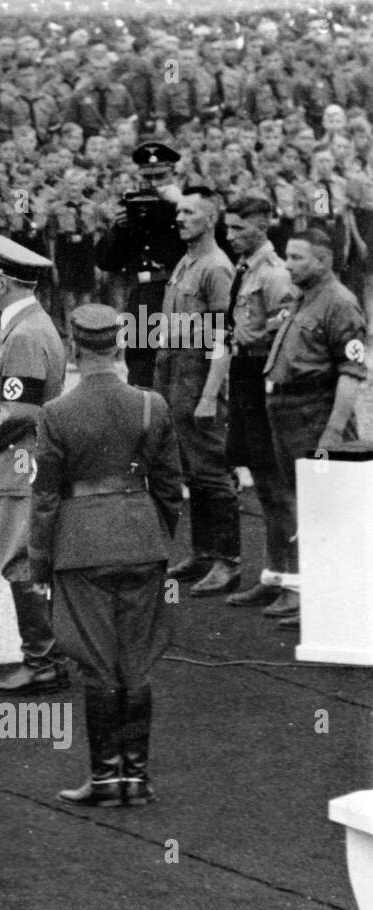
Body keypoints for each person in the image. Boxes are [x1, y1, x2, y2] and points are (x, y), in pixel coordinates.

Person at [29, 304, 183, 807]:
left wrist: (39, 565)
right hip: (141, 542)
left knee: (97, 666)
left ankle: (105, 778)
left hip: (81, 548)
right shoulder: (151, 405)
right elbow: (169, 487)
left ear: (74, 350)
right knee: (136, 664)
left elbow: (46, 497)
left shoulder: (55, 414)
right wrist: (154, 534)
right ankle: (137, 779)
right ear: (118, 348)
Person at [0, 235, 71, 696]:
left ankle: (41, 662)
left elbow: (21, 410)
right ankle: (50, 657)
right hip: (28, 460)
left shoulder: (24, 332)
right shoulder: (27, 321)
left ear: (4, 283)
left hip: (18, 464)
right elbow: (8, 380)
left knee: (21, 562)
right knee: (30, 560)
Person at [263, 228, 368, 630]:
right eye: (287, 256)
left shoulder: (340, 303)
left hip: (314, 414)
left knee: (328, 511)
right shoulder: (300, 296)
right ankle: (318, 598)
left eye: (296, 258)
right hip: (287, 412)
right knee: (301, 505)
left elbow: (351, 373)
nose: (287, 265)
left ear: (323, 261)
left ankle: (336, 606)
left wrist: (331, 435)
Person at [221, 196, 301, 619]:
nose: (231, 236)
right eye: (229, 228)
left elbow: (285, 330)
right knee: (265, 485)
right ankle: (273, 576)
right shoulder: (247, 266)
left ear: (263, 226)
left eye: (238, 229)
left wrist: (253, 338)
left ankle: (294, 584)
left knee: (278, 485)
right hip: (244, 375)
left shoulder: (273, 274)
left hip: (261, 377)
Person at [159, 186, 241, 596]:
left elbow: (222, 337)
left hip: (198, 379)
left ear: (210, 219)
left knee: (211, 471)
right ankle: (203, 553)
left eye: (190, 212)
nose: (180, 218)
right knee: (192, 470)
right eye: (179, 211)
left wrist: (210, 395)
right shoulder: (185, 261)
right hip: (175, 374)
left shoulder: (215, 267)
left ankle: (228, 561)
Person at [94, 141, 185, 390]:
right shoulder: (136, 207)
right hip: (144, 296)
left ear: (175, 175)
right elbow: (106, 261)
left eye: (160, 176)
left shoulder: (188, 206)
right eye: (147, 177)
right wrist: (120, 227)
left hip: (180, 295)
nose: (154, 183)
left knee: (181, 365)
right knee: (141, 367)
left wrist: (180, 205)